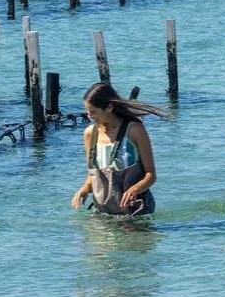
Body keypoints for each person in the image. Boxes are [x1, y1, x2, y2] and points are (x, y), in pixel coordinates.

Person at [71, 82, 166, 217]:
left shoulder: (135, 130)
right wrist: (84, 189)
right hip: (103, 212)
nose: (89, 116)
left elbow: (151, 175)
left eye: (93, 111)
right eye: (87, 111)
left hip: (135, 212)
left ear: (109, 107)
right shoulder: (89, 134)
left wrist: (135, 189)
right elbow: (93, 174)